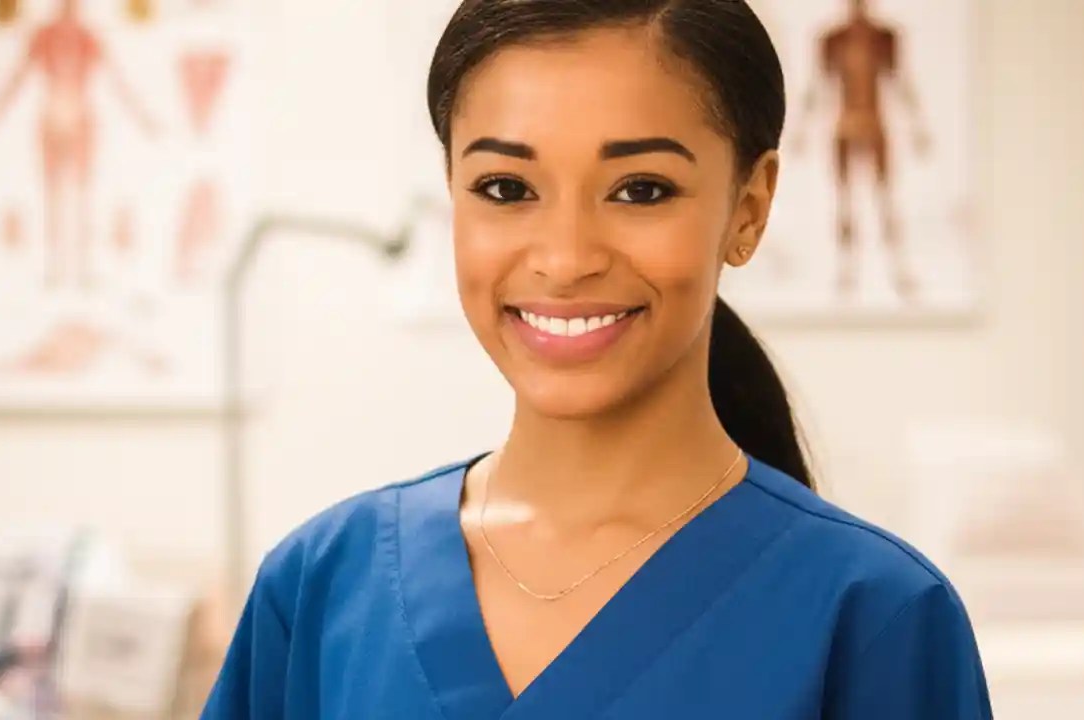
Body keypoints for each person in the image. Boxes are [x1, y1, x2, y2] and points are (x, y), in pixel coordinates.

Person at [201, 1, 992, 718]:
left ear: (748, 209)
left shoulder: (875, 616)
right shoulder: (321, 589)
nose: (566, 258)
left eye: (640, 189)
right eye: (506, 188)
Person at [0, 0, 157, 289]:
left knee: (83, 196)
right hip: (53, 119)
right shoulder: (44, 36)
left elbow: (118, 82)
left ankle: (83, 268)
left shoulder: (88, 38)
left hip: (79, 119)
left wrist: (145, 118)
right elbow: (14, 82)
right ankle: (55, 268)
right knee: (54, 196)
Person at [794, 0, 930, 301]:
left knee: (885, 198)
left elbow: (900, 82)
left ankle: (899, 270)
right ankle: (845, 273)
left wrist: (917, 125)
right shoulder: (833, 39)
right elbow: (818, 85)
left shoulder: (884, 38)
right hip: (846, 122)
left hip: (873, 121)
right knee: (846, 201)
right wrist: (802, 128)